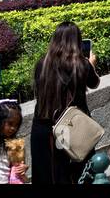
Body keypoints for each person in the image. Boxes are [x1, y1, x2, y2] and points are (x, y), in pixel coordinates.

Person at [32, 21, 100, 184]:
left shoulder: (42, 64)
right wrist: (91, 65)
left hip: (43, 127)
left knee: (49, 175)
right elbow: (94, 83)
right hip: (72, 127)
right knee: (81, 172)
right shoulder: (81, 64)